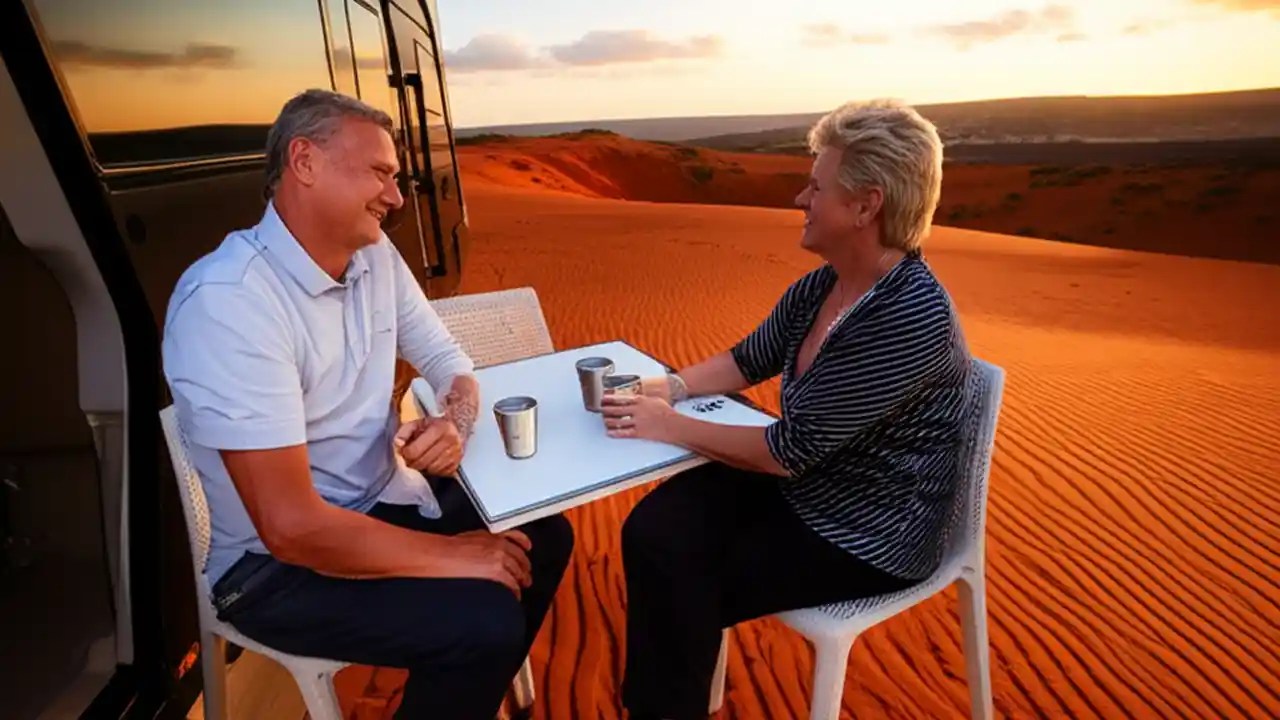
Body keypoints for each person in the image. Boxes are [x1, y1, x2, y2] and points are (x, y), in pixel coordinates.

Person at [161, 89, 573, 720]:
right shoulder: (230, 302)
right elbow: (292, 528)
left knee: (543, 533)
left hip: (380, 504)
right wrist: (455, 555)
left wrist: (453, 423)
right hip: (271, 570)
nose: (398, 197)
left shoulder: (374, 257)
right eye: (381, 173)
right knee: (483, 619)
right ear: (305, 161)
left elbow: (451, 363)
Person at [601, 98, 975, 720]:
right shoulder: (825, 284)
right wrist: (667, 387)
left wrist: (669, 425)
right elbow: (750, 359)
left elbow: (786, 453)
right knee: (657, 526)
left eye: (816, 186)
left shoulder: (908, 317)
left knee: (684, 576)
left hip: (868, 530)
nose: (802, 199)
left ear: (865, 206)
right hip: (815, 487)